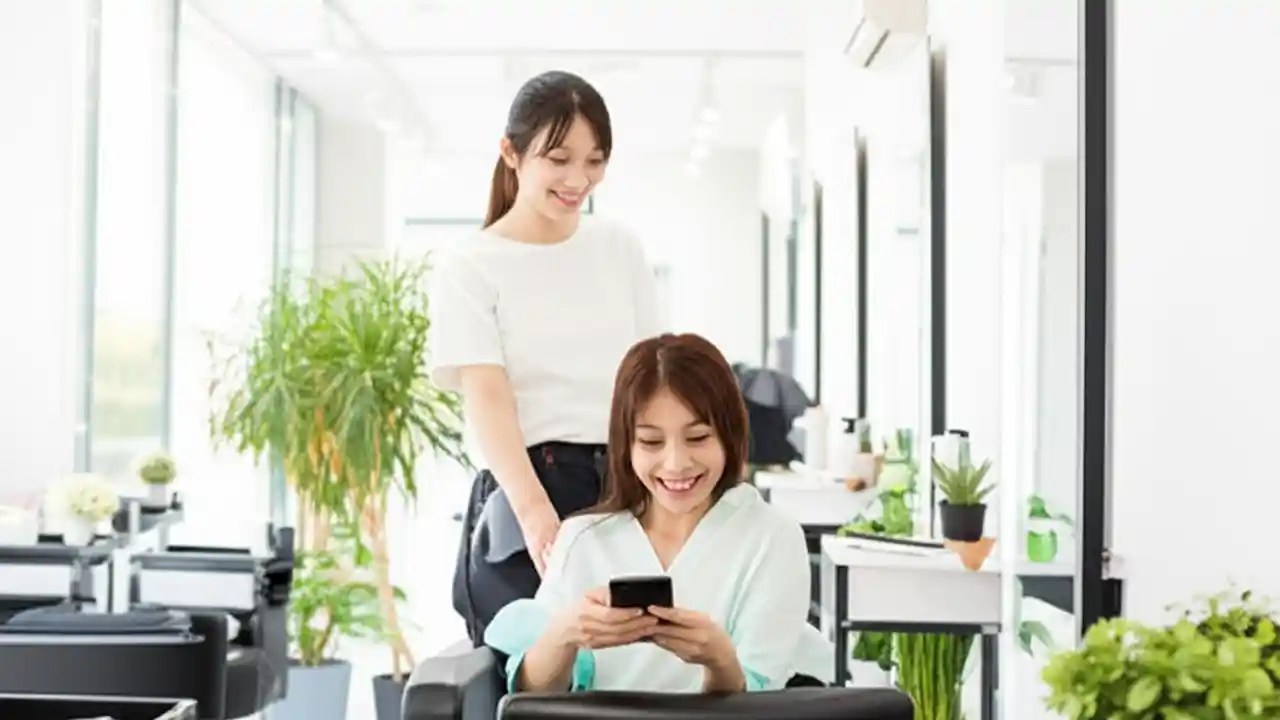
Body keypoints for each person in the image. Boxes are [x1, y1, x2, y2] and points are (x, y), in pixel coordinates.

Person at [428, 70, 663, 643]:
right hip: (530, 489)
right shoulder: (472, 264)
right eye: (558, 158)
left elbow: (649, 382)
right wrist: (536, 515)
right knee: (530, 679)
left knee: (627, 678)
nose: (578, 179)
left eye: (594, 160)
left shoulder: (619, 248)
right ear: (511, 152)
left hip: (625, 488)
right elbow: (488, 397)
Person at [484, 333, 829, 693]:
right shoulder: (583, 539)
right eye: (651, 442)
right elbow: (530, 699)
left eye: (697, 438)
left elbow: (758, 702)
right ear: (626, 444)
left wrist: (719, 660)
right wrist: (565, 634)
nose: (676, 463)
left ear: (730, 437)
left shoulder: (772, 539)